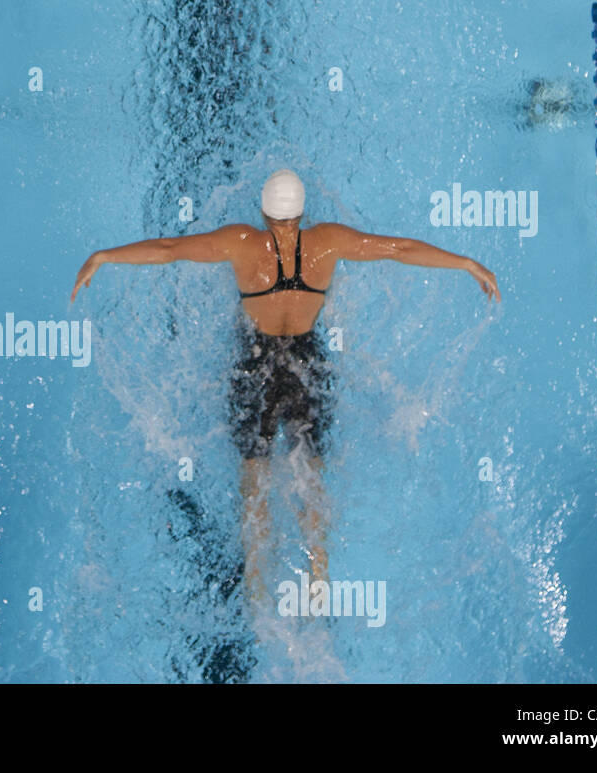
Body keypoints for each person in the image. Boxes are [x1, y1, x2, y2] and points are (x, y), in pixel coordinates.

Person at [72, 169, 500, 600]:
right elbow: (399, 249)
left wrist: (104, 256)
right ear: (302, 213)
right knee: (311, 472)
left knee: (254, 476)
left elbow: (169, 250)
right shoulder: (328, 241)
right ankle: (319, 574)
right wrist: (466, 263)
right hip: (305, 363)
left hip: (255, 366)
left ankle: (257, 585)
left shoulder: (241, 242)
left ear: (263, 213)